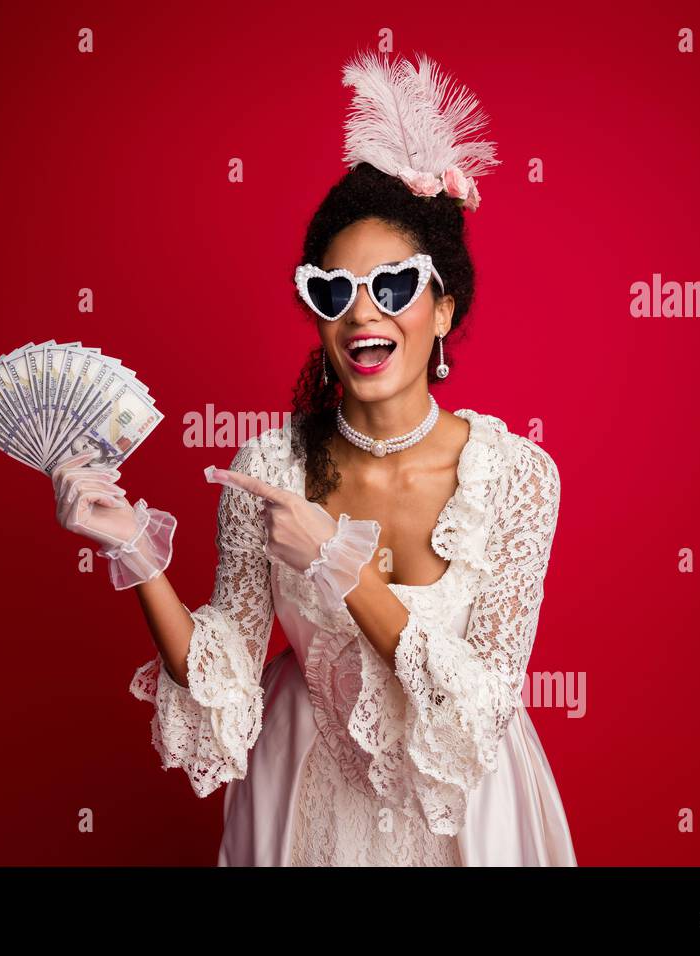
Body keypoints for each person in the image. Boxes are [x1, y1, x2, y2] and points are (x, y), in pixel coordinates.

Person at [51, 50, 577, 866]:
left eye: (393, 287)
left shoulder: (515, 476)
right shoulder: (272, 466)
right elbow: (220, 677)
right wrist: (134, 549)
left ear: (443, 308)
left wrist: (340, 566)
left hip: (466, 811)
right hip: (307, 802)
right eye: (332, 292)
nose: (362, 314)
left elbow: (480, 708)